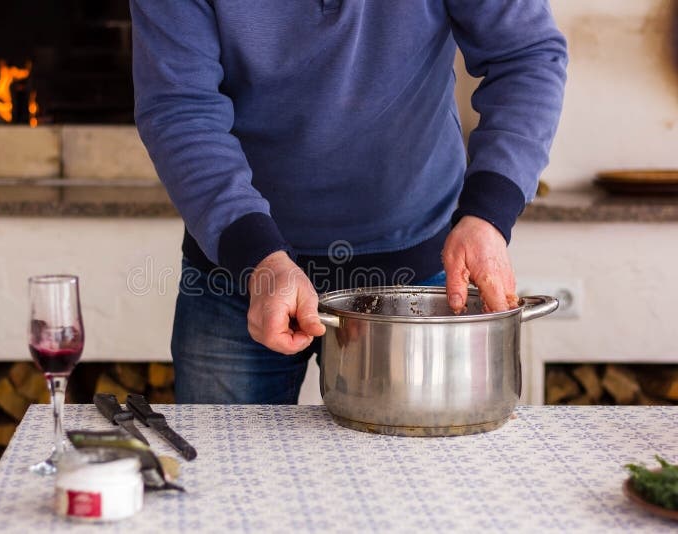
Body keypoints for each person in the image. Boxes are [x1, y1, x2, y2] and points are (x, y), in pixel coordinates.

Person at [130, 0, 568, 403]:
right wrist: (258, 258)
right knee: (223, 475)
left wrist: (487, 215)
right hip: (241, 272)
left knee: (420, 483)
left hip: (416, 273)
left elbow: (527, 56)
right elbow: (180, 108)